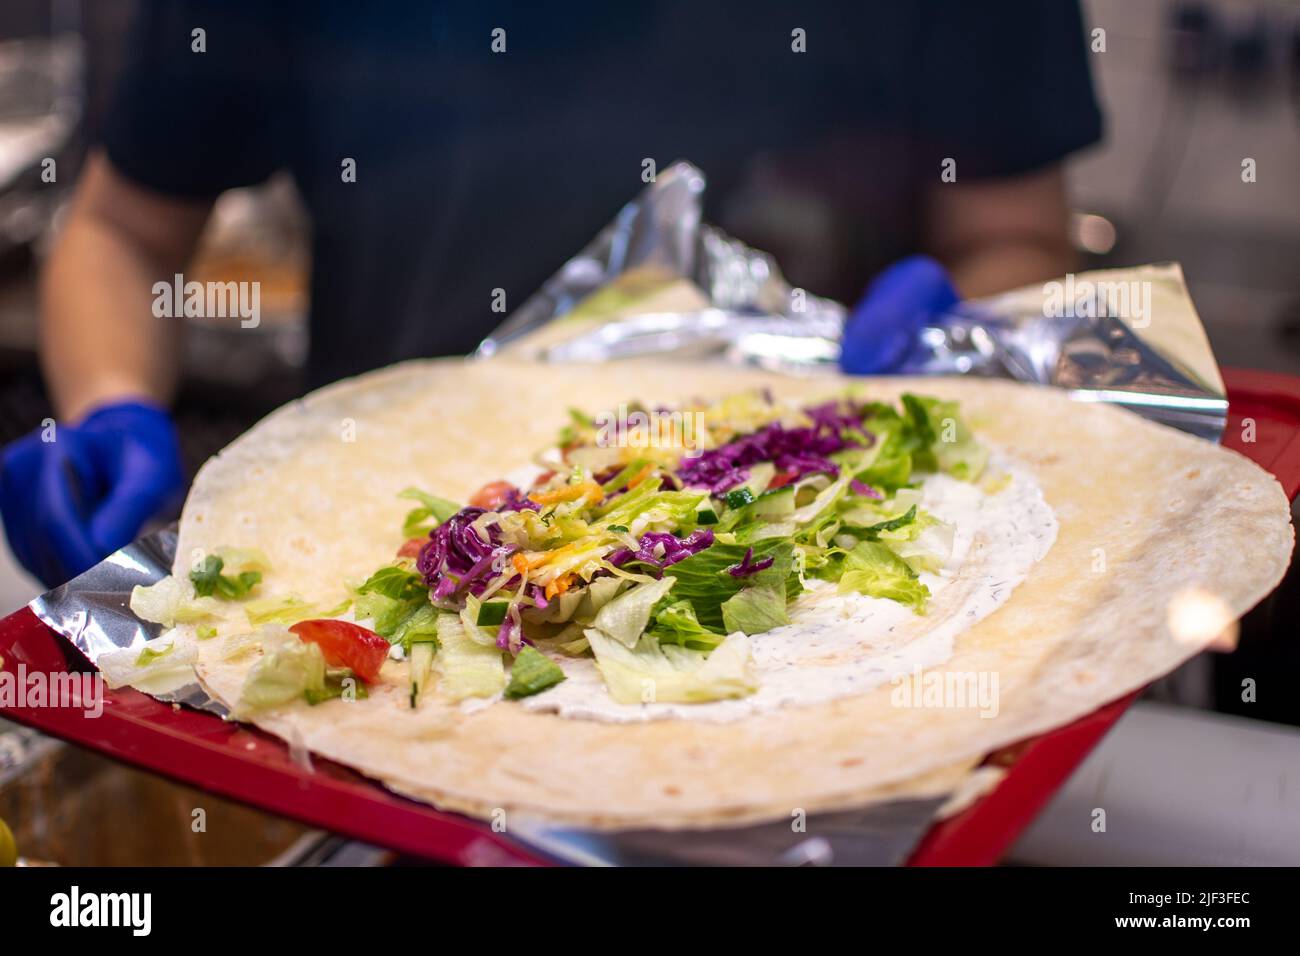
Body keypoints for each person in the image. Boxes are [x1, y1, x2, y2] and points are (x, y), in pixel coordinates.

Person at [0, 0, 1102, 585]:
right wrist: (110, 409)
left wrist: (967, 332)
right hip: (386, 574)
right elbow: (118, 230)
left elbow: (1011, 233)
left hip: (820, 553)